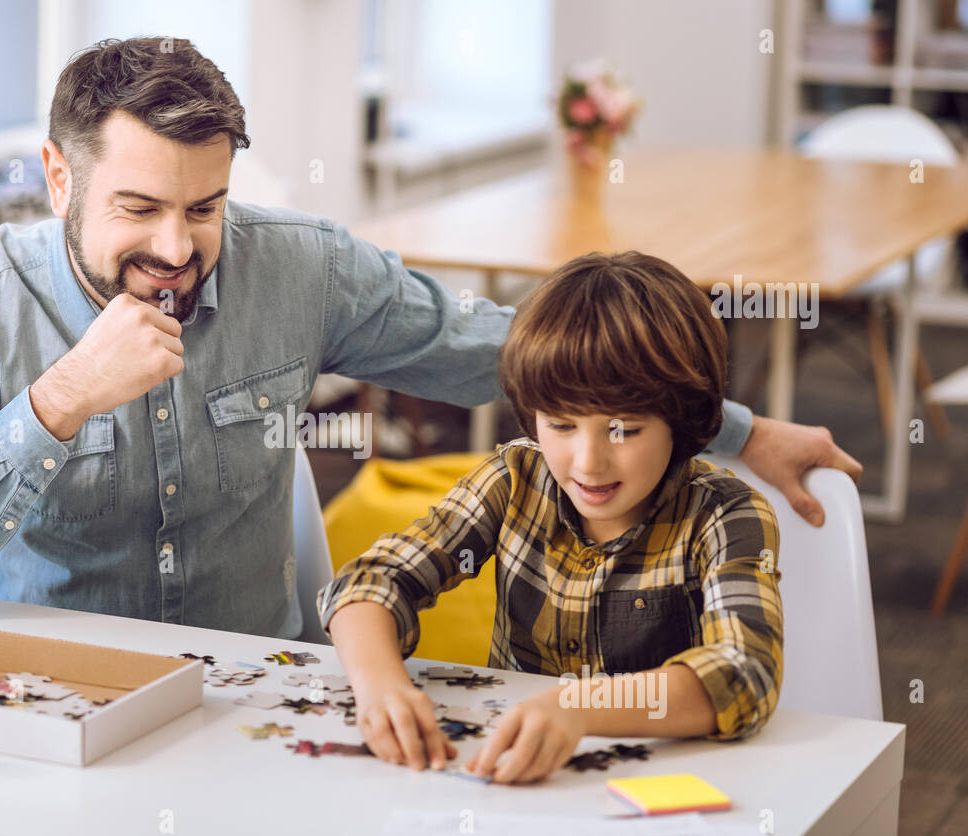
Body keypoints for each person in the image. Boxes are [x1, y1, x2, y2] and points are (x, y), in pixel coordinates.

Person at [0, 36, 857, 640]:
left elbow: (512, 354)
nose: (176, 246)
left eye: (205, 208)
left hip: (249, 689)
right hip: (51, 689)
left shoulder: (300, 266)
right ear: (58, 178)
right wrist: (60, 399)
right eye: (139, 208)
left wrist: (733, 427)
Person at [318, 251, 785, 784]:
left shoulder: (726, 513)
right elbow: (371, 581)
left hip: (669, 783)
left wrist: (579, 707)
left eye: (624, 431)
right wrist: (383, 688)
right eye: (560, 425)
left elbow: (744, 672)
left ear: (684, 421)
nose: (588, 462)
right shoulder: (514, 478)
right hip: (518, 780)